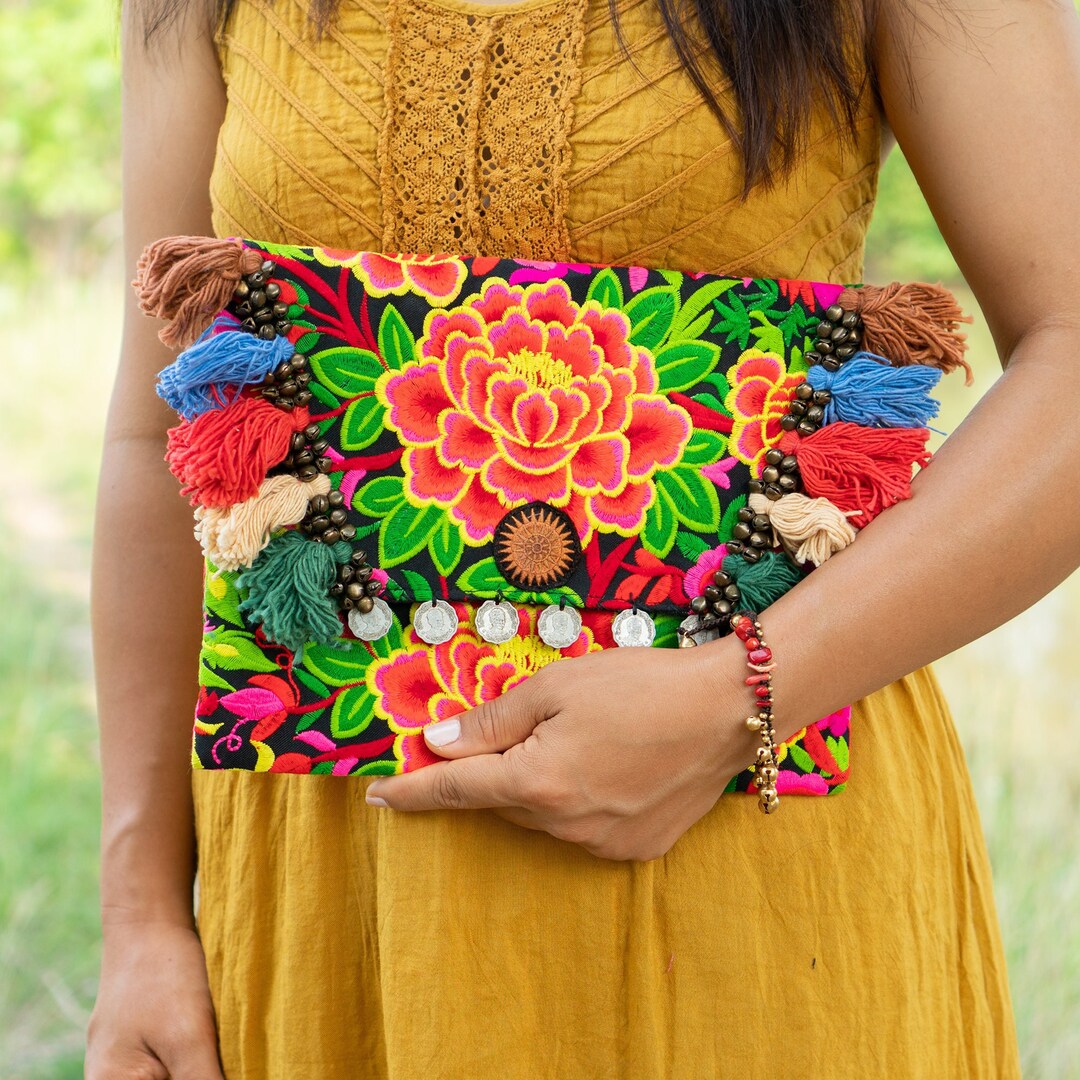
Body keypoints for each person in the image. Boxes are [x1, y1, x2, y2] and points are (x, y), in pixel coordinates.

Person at [86, 0, 1080, 1076]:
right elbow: (161, 429)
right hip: (329, 878)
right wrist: (139, 918)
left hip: (750, 831)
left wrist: (737, 696)